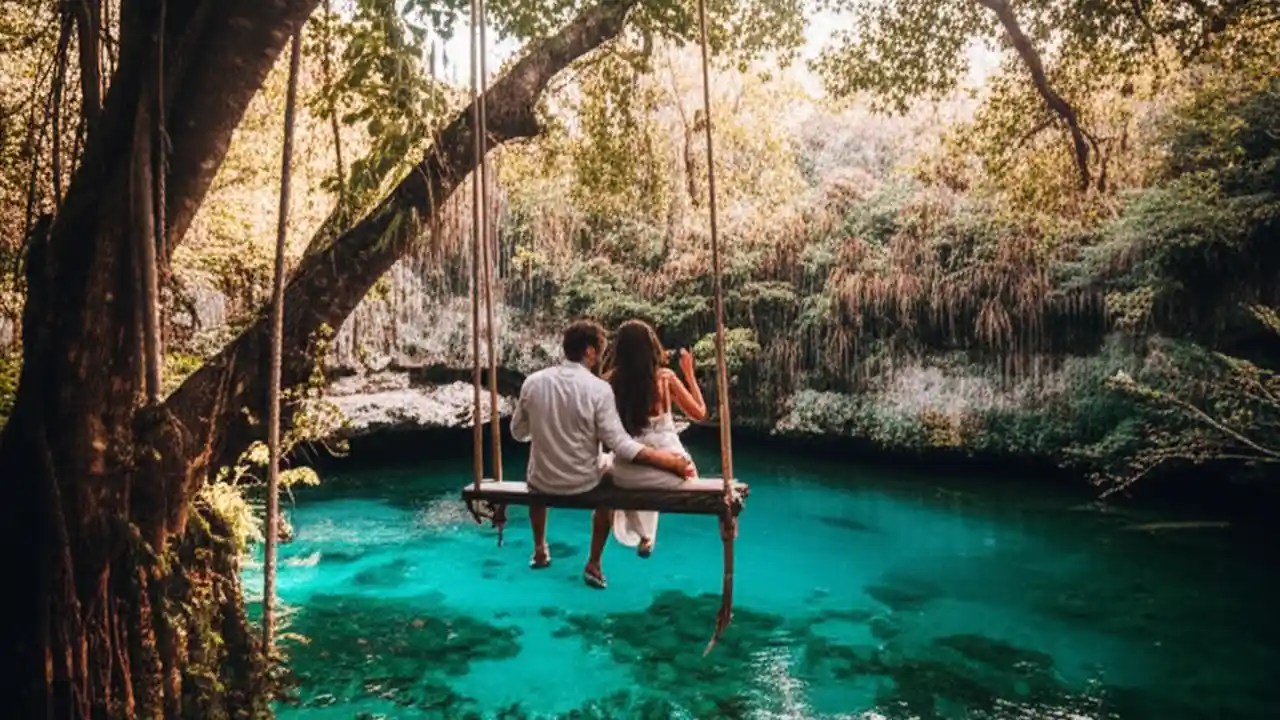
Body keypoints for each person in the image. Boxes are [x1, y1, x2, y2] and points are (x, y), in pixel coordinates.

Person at [509, 319, 693, 589]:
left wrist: (545, 429)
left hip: (542, 481)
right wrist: (666, 461)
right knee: (609, 476)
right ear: (590, 351)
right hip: (582, 483)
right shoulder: (598, 389)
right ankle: (594, 561)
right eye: (601, 348)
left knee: (536, 468)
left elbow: (517, 433)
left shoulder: (533, 382)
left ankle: (539, 548)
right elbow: (621, 444)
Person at [604, 319, 707, 557]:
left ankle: (643, 534)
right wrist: (690, 375)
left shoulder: (610, 382)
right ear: (652, 347)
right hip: (671, 466)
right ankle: (645, 535)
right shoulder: (665, 378)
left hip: (627, 470)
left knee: (620, 473)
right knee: (669, 470)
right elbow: (700, 414)